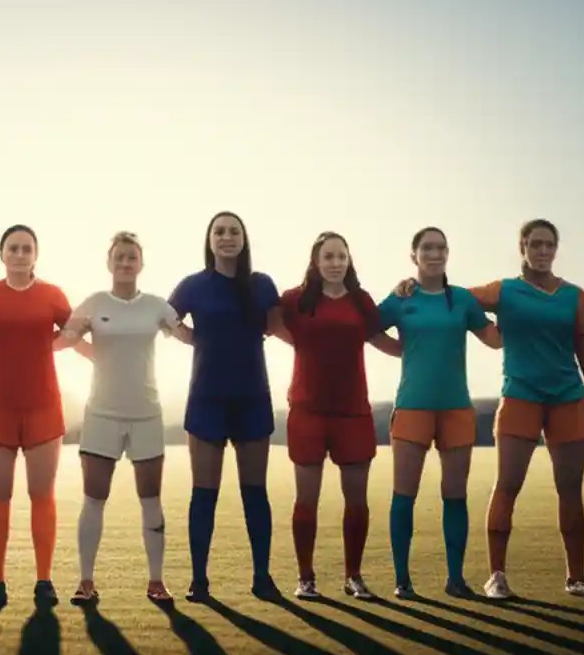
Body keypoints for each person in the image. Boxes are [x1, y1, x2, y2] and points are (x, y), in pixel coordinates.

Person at [401, 219, 584, 599]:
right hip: (520, 398)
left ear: (555, 250)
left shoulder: (574, 296)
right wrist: (413, 285)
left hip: (569, 399)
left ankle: (576, 578)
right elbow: (455, 294)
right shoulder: (505, 291)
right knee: (508, 486)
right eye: (535, 245)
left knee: (570, 489)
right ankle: (496, 576)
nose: (543, 251)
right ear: (523, 248)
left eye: (549, 245)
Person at [166, 212, 285, 602]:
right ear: (210, 240)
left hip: (252, 398)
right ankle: (199, 581)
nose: (227, 237)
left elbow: (279, 324)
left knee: (255, 492)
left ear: (244, 238)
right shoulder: (193, 285)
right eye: (220, 232)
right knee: (205, 493)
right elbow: (166, 319)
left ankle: (262, 578)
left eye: (234, 231)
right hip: (206, 399)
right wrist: (194, 338)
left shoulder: (261, 284)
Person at [377, 227, 500, 600]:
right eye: (427, 248)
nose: (435, 253)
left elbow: (496, 340)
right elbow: (367, 328)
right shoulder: (401, 298)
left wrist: (521, 309)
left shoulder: (461, 300)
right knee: (405, 494)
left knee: (455, 494)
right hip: (413, 406)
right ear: (413, 255)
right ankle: (402, 581)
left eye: (441, 248)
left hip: (456, 409)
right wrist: (402, 350)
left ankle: (455, 580)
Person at [278, 232, 401, 601]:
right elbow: (269, 323)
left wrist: (426, 346)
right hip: (307, 412)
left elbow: (382, 340)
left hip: (353, 413)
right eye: (328, 256)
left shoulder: (360, 302)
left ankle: (353, 577)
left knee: (357, 501)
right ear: (315, 262)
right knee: (306, 500)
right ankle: (305, 578)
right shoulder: (295, 300)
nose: (335, 262)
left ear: (349, 261)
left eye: (341, 256)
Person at [57, 231, 178, 604]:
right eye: (119, 257)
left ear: (141, 264)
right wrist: (91, 351)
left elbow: (188, 335)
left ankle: (156, 582)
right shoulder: (94, 302)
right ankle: (86, 582)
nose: (125, 263)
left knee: (151, 500)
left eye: (132, 258)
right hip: (102, 415)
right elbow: (64, 336)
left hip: (146, 415)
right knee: (94, 498)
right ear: (109, 263)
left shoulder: (157, 305)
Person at [0, 224, 73, 607]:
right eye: (14, 248)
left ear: (35, 255)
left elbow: (73, 331)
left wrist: (48, 348)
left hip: (44, 407)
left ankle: (44, 580)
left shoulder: (52, 295)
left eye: (27, 248)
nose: (20, 254)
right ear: (2, 254)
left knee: (42, 495)